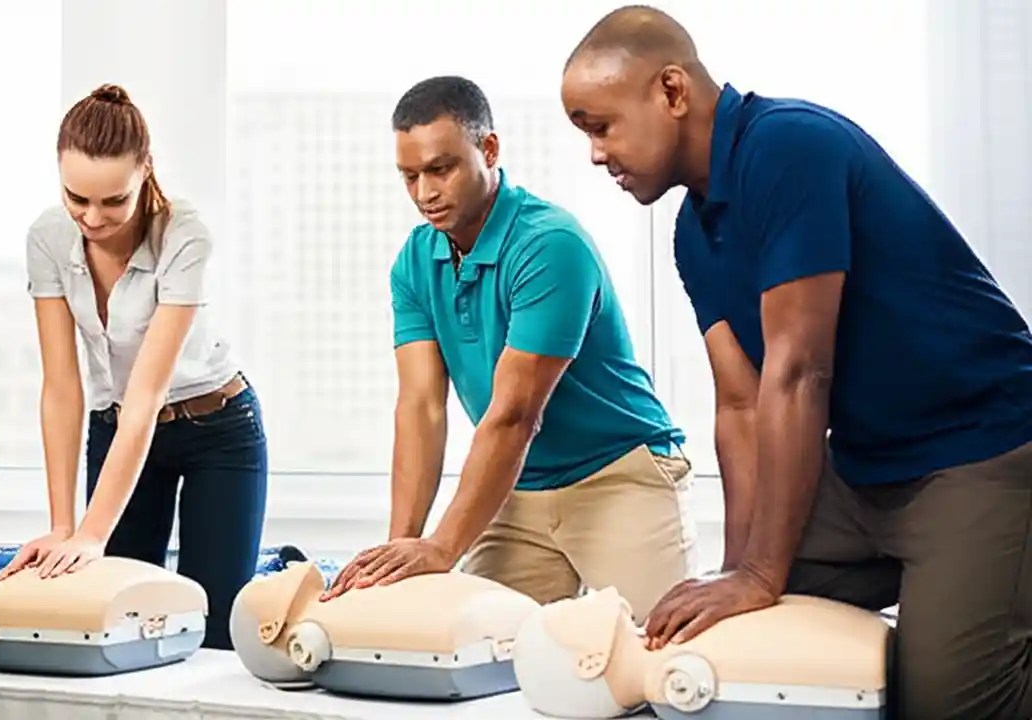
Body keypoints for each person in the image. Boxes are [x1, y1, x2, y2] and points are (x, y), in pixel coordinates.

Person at [559, 6, 1032, 719]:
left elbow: (800, 370)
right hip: (869, 470)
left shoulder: (789, 148)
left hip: (982, 449)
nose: (596, 153)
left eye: (602, 125)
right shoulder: (694, 232)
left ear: (672, 91)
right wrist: (737, 573)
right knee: (736, 626)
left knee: (943, 703)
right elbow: (743, 407)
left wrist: (760, 572)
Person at [323, 76, 695, 620]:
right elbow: (421, 408)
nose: (425, 192)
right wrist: (399, 552)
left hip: (617, 477)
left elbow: (515, 415)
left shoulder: (549, 245)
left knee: (664, 657)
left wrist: (444, 547)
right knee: (475, 648)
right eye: (409, 176)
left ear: (489, 150)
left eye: (441, 168)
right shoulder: (414, 260)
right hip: (515, 488)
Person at [0, 84, 268, 651]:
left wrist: (95, 533)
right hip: (115, 425)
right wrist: (65, 527)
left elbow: (146, 392)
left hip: (216, 428)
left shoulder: (186, 234)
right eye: (77, 198)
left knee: (211, 625)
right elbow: (62, 388)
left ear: (146, 170)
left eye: (113, 201)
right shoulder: (47, 238)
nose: (93, 218)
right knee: (113, 617)